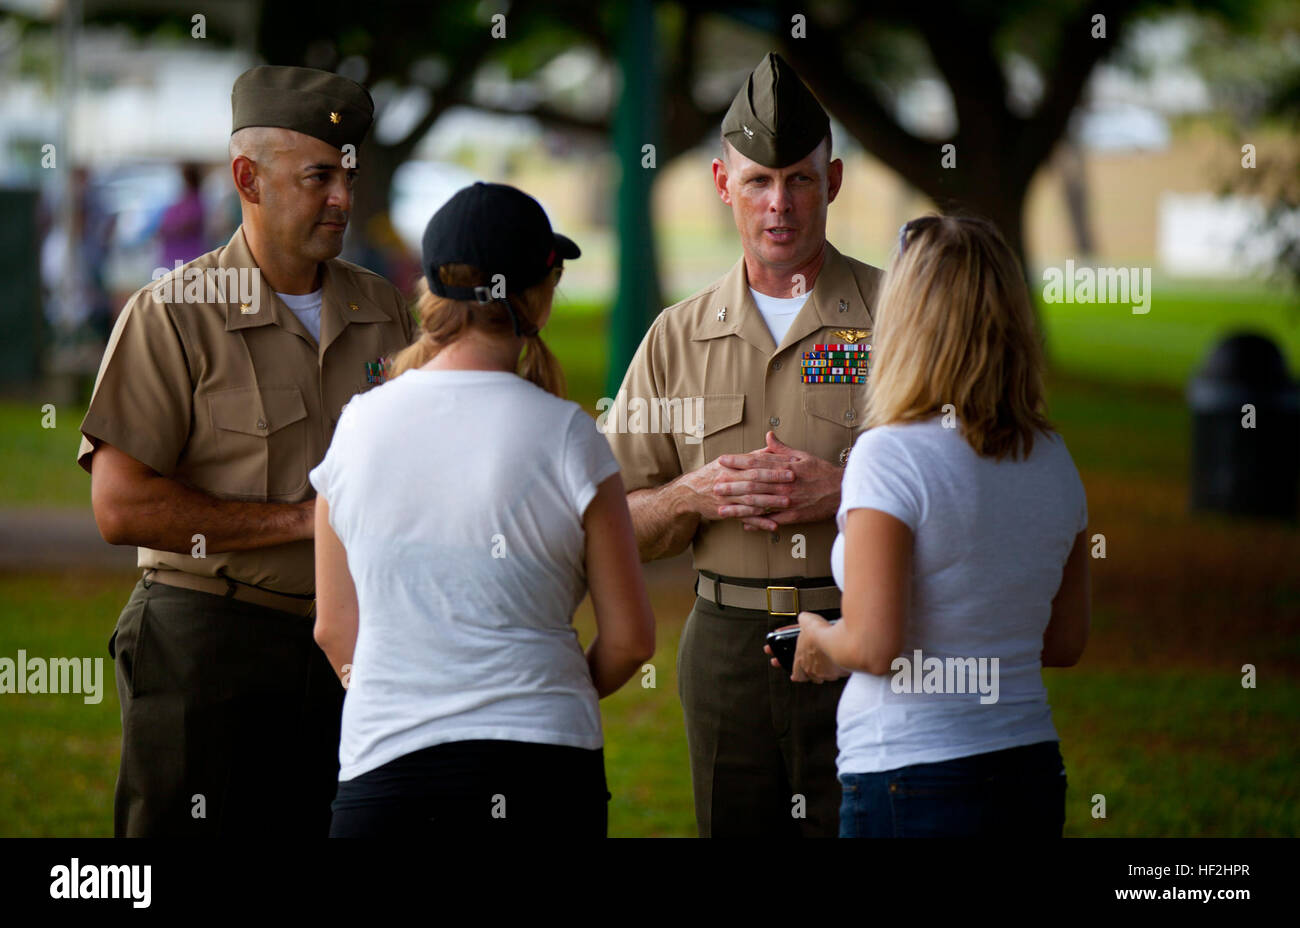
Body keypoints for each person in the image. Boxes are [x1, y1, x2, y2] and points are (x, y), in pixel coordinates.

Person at [76, 65, 416, 837]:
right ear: (247, 178)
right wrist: (305, 524)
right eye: (318, 177)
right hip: (208, 640)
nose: (343, 197)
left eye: (348, 176)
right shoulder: (171, 315)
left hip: (359, 647)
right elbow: (119, 505)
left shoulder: (386, 312)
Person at [311, 182, 656, 837]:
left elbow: (334, 628)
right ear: (542, 294)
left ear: (430, 292)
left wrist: (408, 697)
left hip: (385, 773)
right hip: (545, 772)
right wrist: (546, 691)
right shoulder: (570, 438)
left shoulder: (356, 428)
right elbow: (631, 639)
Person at [603, 51, 883, 837]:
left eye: (799, 178)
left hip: (866, 633)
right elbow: (616, 519)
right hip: (726, 647)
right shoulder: (676, 336)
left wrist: (844, 490)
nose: (779, 204)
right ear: (725, 186)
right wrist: (691, 496)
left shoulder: (903, 316)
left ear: (832, 181)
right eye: (758, 180)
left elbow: (968, 482)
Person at [781, 214, 1091, 837]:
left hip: (912, 776)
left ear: (907, 320)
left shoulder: (890, 455)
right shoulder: (1053, 457)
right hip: (1029, 768)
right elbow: (1063, 643)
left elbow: (872, 645)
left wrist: (817, 638)